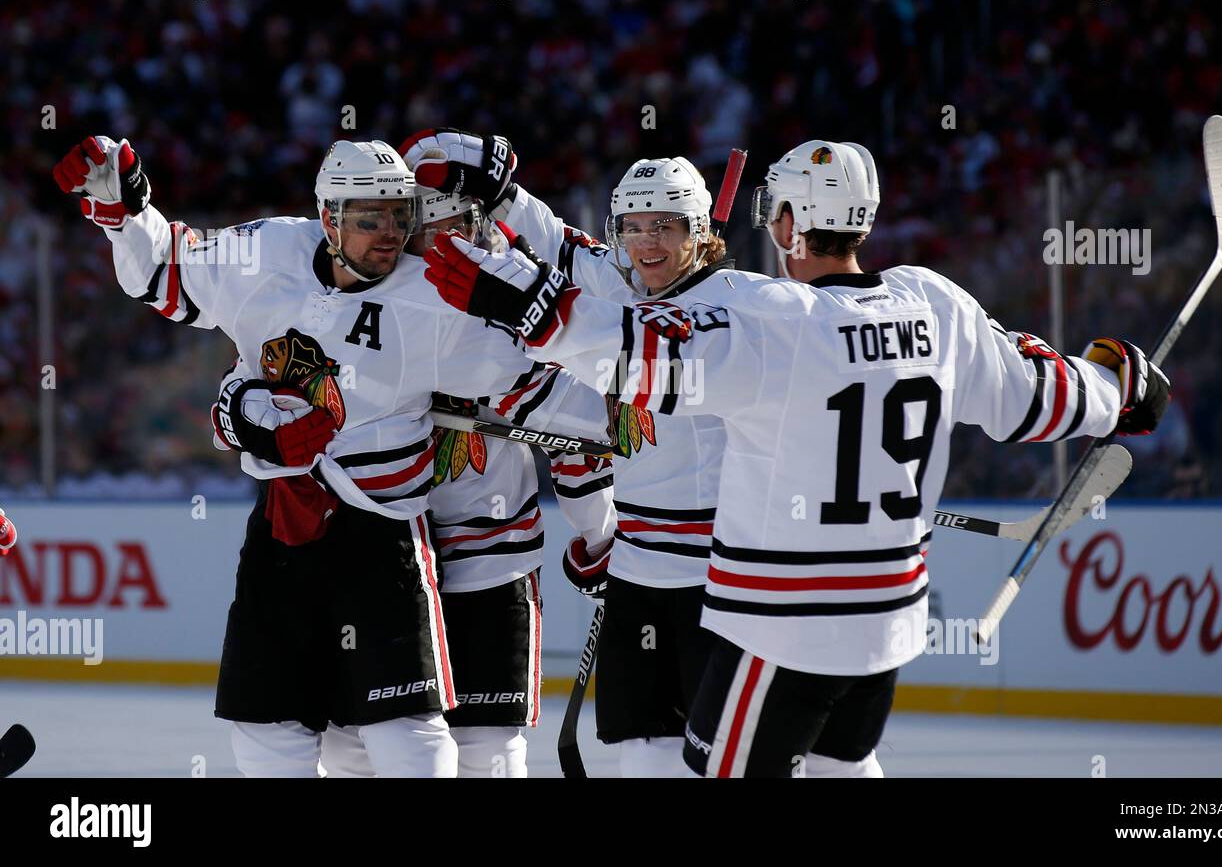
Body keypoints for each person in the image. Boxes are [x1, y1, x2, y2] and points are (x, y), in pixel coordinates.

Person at [422, 138, 1171, 777]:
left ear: (786, 223)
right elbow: (1038, 396)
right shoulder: (934, 306)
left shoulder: (771, 320)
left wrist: (529, 304)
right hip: (888, 625)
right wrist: (1117, 383)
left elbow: (639, 358)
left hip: (781, 625)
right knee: (843, 767)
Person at [53, 134, 607, 777]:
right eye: (371, 218)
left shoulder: (436, 298)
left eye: (402, 216)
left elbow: (548, 392)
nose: (391, 233)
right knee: (267, 733)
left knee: (416, 742)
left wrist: (649, 392)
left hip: (387, 541)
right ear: (327, 218)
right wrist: (126, 212)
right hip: (283, 529)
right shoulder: (265, 251)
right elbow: (167, 274)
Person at [405, 128, 767, 776]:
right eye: (634, 225)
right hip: (638, 578)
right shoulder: (614, 287)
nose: (647, 241)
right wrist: (498, 191)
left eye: (666, 225)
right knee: (641, 760)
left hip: (720, 582)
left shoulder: (740, 311)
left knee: (726, 762)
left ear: (699, 230)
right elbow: (546, 240)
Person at [316, 159, 616, 779]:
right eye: (429, 227)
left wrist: (599, 533)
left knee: (488, 755)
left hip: (490, 558)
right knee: (353, 746)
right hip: (385, 556)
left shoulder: (515, 289)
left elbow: (581, 429)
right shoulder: (368, 294)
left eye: (459, 224)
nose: (446, 241)